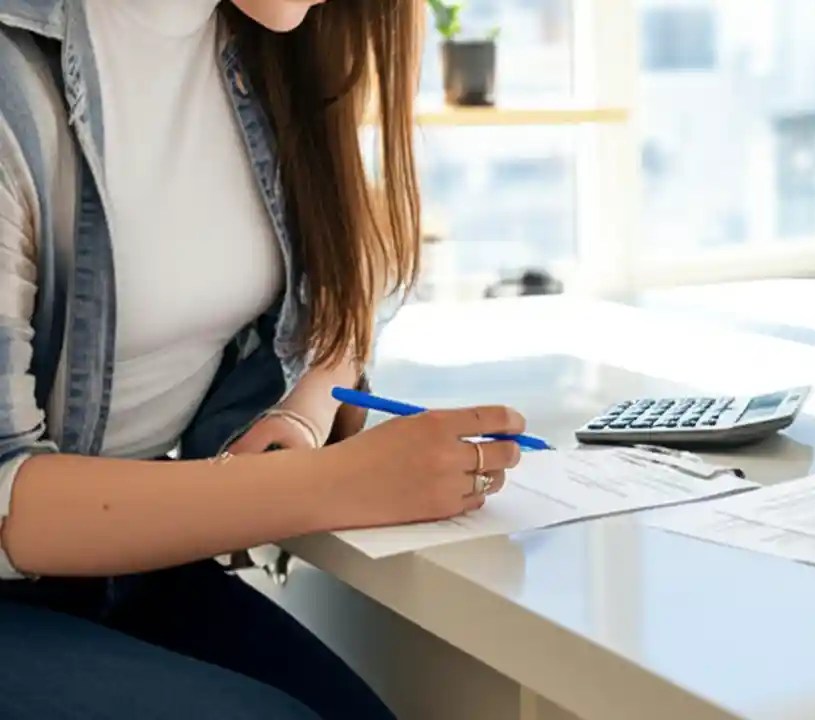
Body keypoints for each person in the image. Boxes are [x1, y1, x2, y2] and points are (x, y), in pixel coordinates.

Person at [0, 0, 527, 716]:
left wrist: (304, 412)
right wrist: (336, 482)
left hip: (130, 569)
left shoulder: (255, 47)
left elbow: (347, 289)